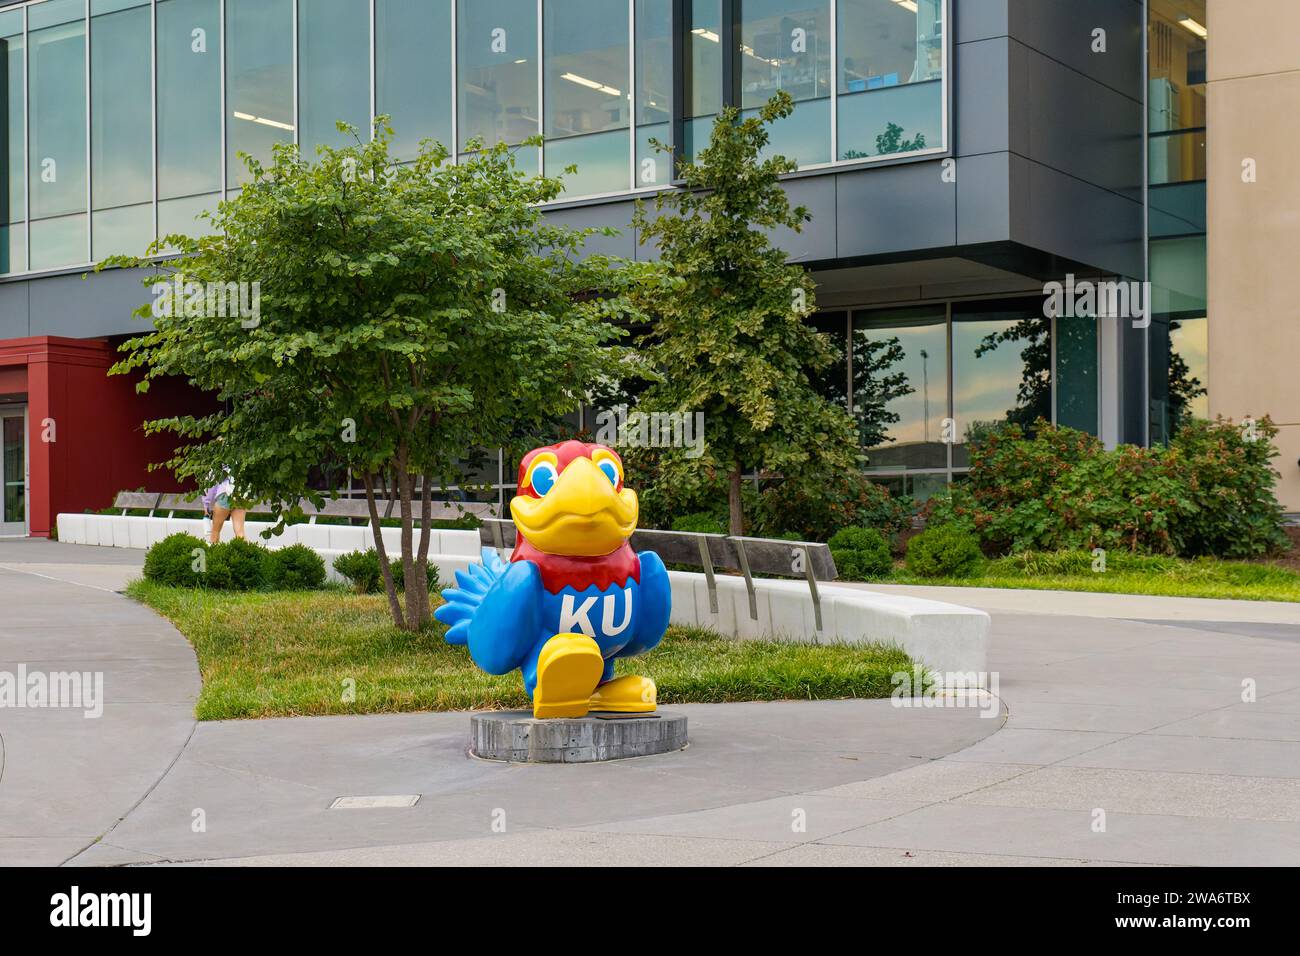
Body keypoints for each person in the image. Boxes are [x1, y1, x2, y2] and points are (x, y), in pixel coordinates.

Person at [201, 468, 245, 545]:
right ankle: (247, 555)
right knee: (240, 532)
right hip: (240, 496)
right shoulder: (240, 462)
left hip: (225, 495)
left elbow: (209, 487)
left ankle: (213, 555)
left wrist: (206, 505)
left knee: (215, 531)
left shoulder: (218, 464)